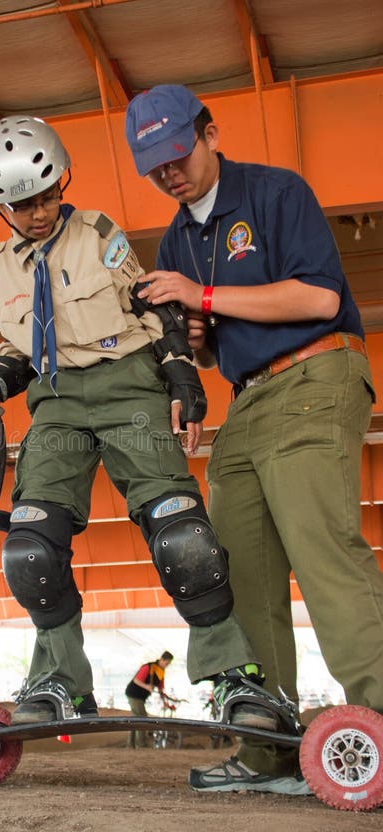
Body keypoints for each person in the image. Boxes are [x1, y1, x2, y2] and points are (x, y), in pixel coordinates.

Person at [0, 113, 293, 734]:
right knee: (29, 548)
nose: (37, 212)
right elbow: (19, 351)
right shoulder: (0, 268)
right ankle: (60, 680)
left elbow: (155, 309)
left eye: (47, 195)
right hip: (55, 402)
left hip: (126, 384)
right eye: (22, 204)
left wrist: (183, 379)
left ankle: (232, 680)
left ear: (64, 181)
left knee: (181, 536)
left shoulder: (97, 234)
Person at [125, 83, 383, 794]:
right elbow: (209, 349)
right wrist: (202, 340)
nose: (170, 174)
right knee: (236, 573)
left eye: (178, 154)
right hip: (246, 401)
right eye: (154, 166)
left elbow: (319, 297)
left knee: (322, 549)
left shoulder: (275, 193)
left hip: (314, 373)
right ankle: (270, 749)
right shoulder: (178, 238)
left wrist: (202, 297)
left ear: (209, 133)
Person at [125, 650, 173, 748]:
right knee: (142, 718)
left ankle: (130, 745)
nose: (167, 665)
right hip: (134, 695)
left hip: (141, 697)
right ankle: (141, 745)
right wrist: (147, 686)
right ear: (161, 659)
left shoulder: (161, 672)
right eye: (166, 663)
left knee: (136, 719)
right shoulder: (148, 667)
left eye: (168, 664)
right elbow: (136, 680)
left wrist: (164, 698)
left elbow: (160, 687)